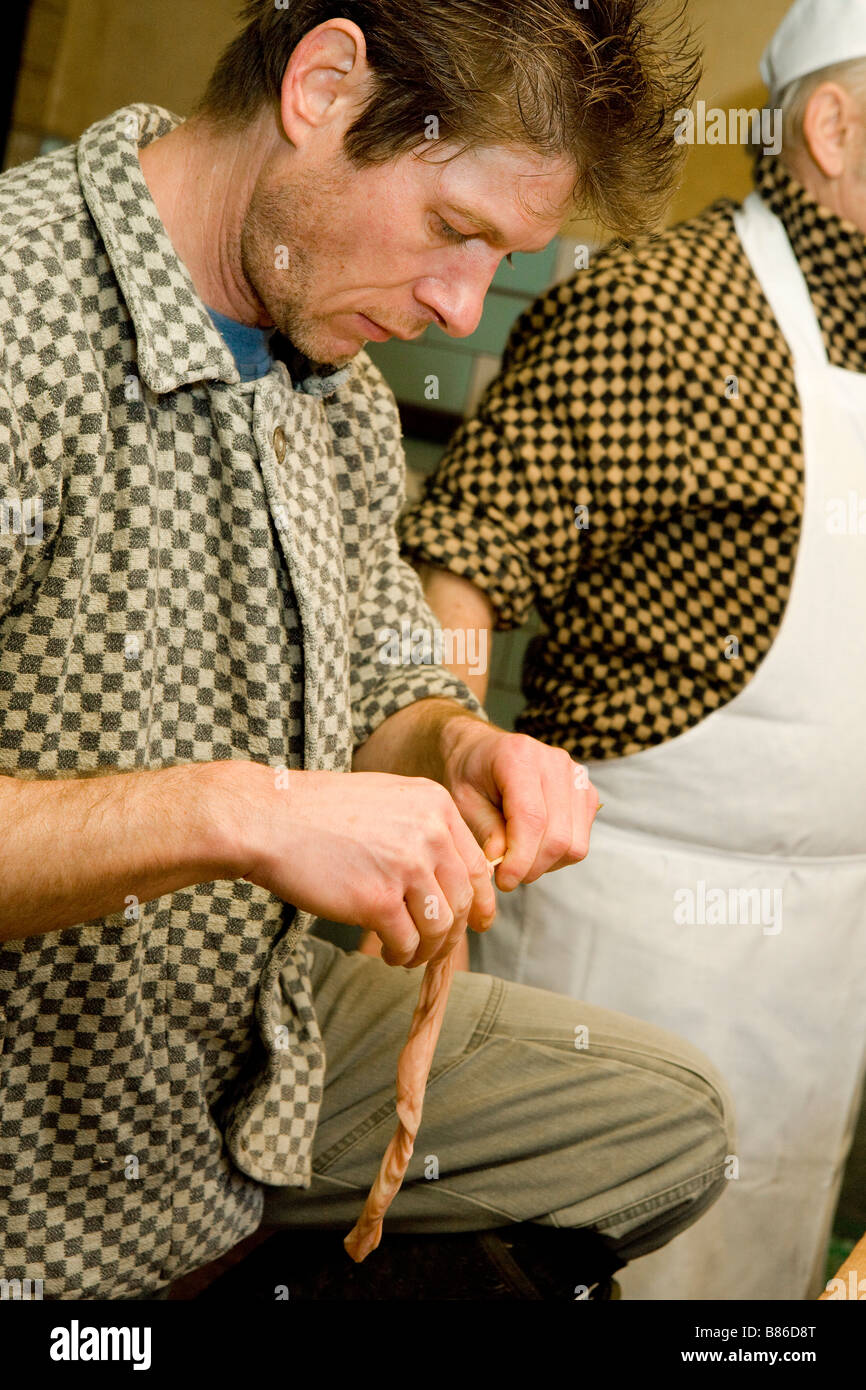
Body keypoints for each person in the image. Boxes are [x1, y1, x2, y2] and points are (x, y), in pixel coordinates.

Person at [0, 0, 734, 1300]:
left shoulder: (334, 388)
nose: (459, 312)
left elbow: (388, 675)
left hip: (250, 1028)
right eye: (453, 231)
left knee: (665, 1117)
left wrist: (453, 741)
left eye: (497, 255)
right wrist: (236, 811)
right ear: (325, 84)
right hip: (45, 1103)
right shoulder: (21, 317)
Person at [398, 0, 866, 1302]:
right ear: (831, 124)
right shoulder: (655, 311)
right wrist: (444, 785)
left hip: (830, 944)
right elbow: (463, 563)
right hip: (628, 926)